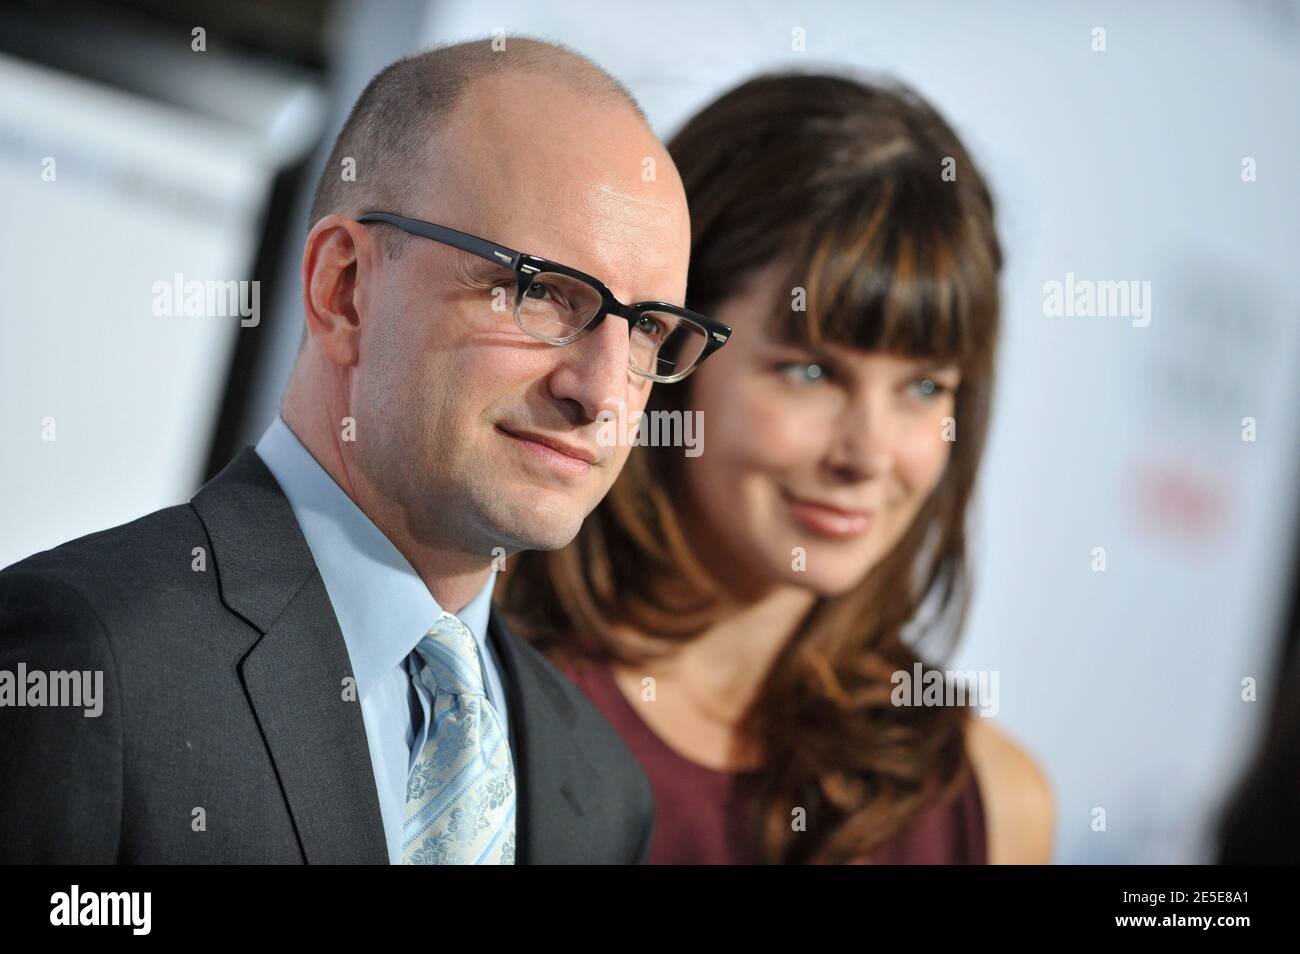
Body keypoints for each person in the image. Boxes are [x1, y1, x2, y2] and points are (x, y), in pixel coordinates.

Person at [0, 37, 728, 864]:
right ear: (343, 290)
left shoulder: (596, 783)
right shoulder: (87, 660)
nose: (600, 394)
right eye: (542, 293)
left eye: (649, 331)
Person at [499, 71, 1054, 864]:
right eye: (811, 372)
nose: (866, 455)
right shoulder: (461, 679)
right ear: (666, 342)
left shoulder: (993, 805)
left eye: (924, 387)